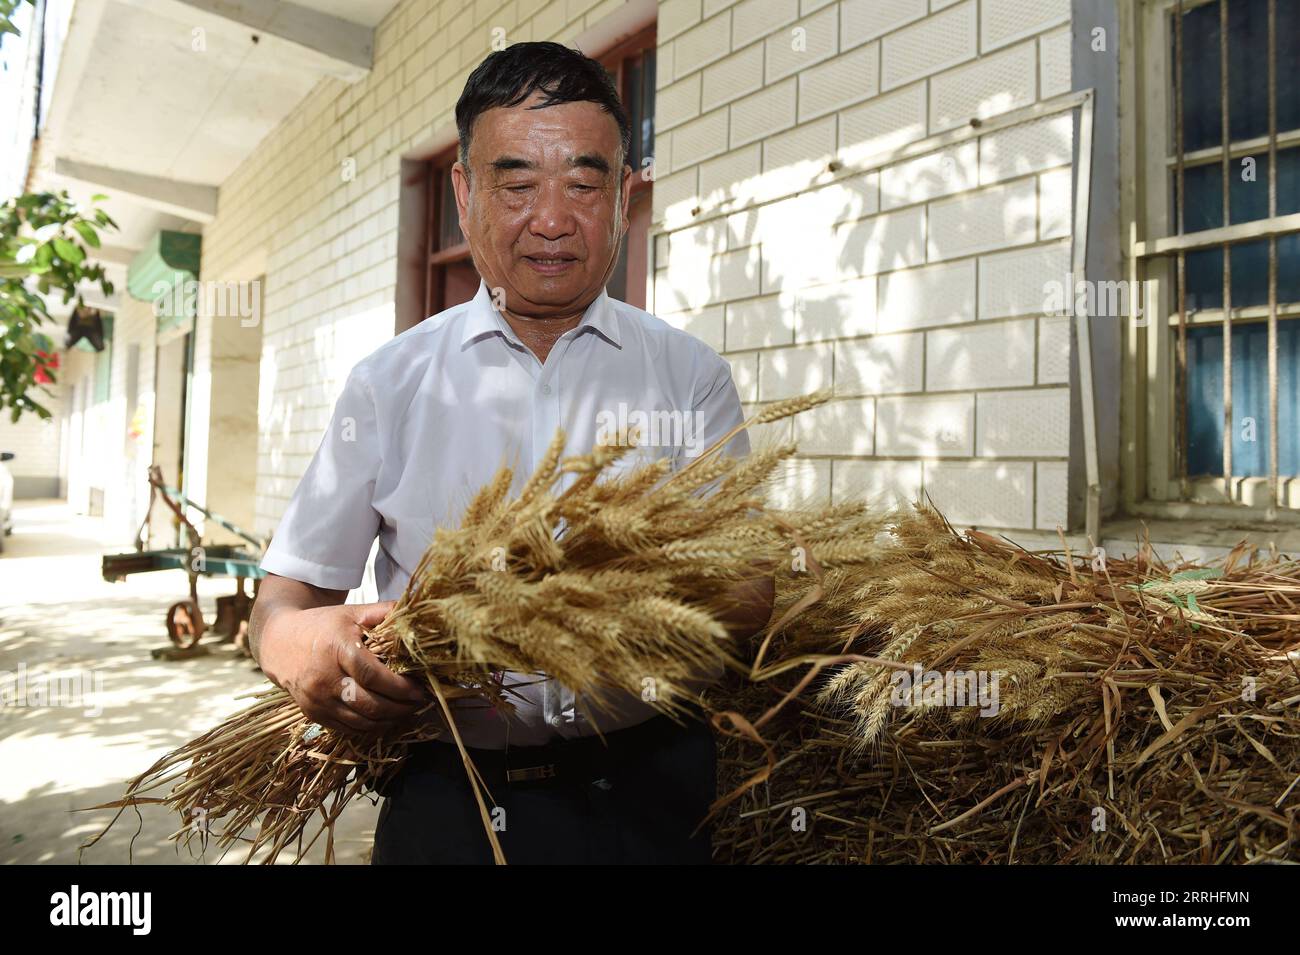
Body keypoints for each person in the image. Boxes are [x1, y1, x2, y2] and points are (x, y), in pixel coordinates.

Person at [249, 41, 773, 865]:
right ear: (464, 192)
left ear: (625, 194)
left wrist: (583, 611)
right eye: (518, 183)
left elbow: (748, 588)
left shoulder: (690, 376)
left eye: (584, 182)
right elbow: (282, 602)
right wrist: (298, 649)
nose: (553, 218)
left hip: (648, 798)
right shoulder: (390, 383)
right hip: (447, 799)